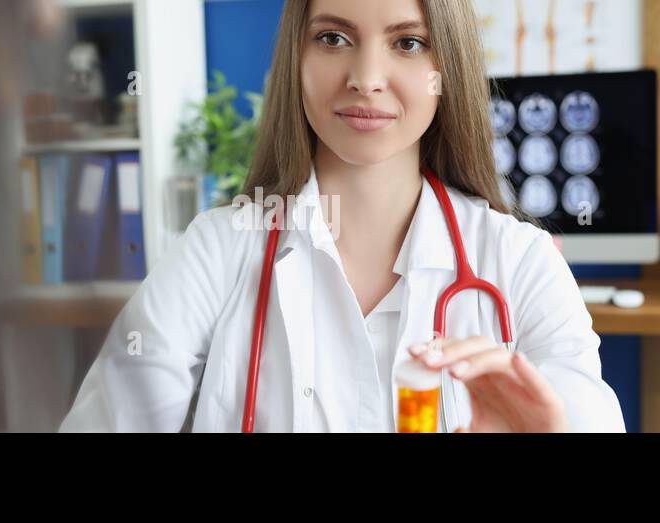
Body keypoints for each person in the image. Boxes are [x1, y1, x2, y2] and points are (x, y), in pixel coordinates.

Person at [61, 0, 625, 432]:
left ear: (446, 68)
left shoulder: (520, 262)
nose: (366, 77)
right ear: (296, 59)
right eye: (333, 37)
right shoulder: (218, 249)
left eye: (407, 43)